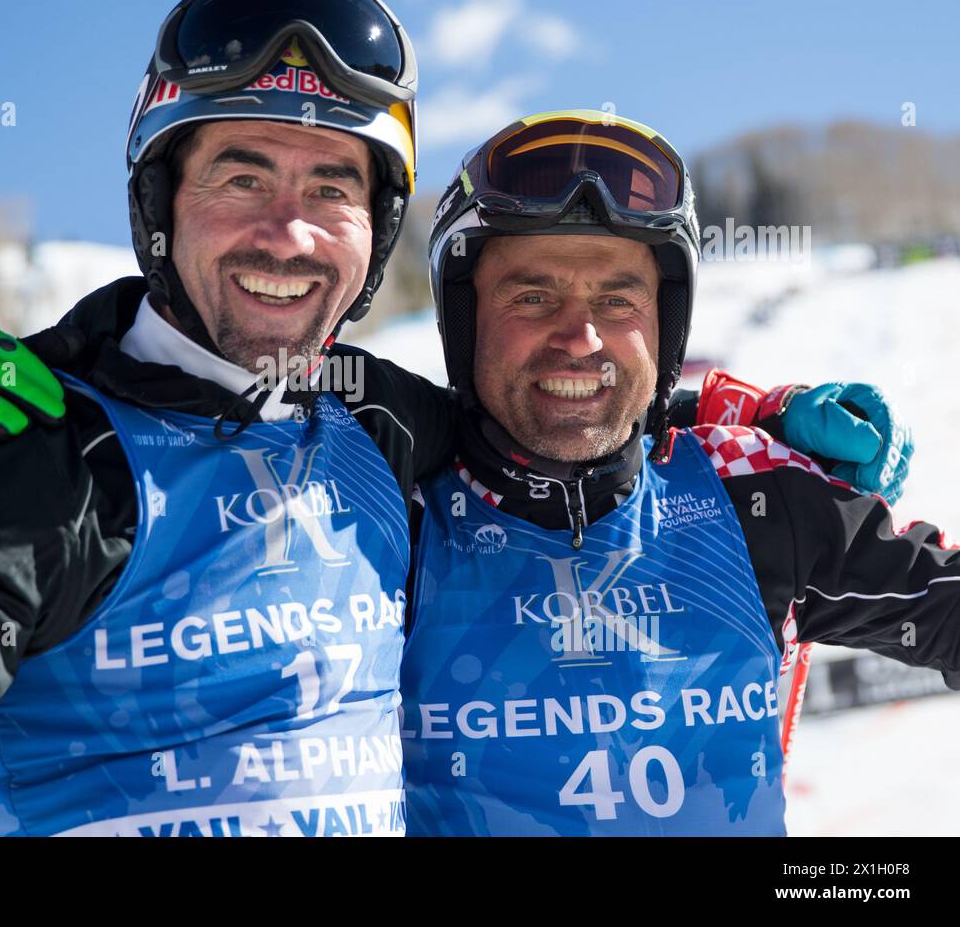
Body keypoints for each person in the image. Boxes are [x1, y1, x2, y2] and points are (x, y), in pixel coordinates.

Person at [0, 0, 909, 835]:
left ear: (374, 238)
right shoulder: (38, 445)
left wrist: (741, 411)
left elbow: (559, 413)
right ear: (161, 203)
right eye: (241, 173)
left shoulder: (376, 419)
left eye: (333, 188)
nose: (289, 230)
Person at [400, 110, 958, 835]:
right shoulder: (393, 516)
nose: (582, 338)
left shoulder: (752, 492)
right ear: (465, 320)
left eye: (618, 298)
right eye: (533, 296)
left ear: (666, 325)